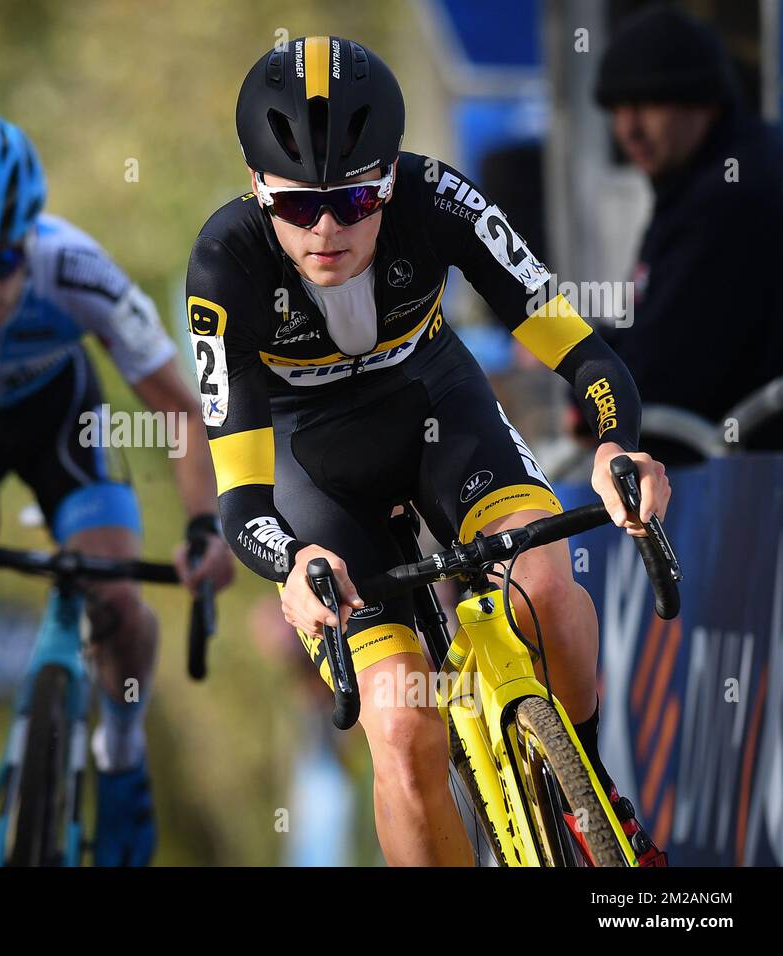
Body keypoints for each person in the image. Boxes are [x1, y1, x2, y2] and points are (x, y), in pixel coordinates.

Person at [188, 36, 671, 865]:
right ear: (259, 191)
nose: (329, 228)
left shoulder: (440, 199)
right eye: (300, 208)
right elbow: (239, 497)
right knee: (403, 727)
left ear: (391, 180)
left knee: (547, 588)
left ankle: (590, 789)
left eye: (356, 199)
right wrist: (291, 562)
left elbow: (581, 351)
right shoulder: (224, 261)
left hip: (438, 407)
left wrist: (617, 447)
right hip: (316, 472)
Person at [0, 108, 234, 866]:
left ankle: (121, 757)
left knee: (117, 598)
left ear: (30, 236)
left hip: (59, 419)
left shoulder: (78, 266)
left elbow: (180, 413)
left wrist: (204, 525)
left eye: (3, 261)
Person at [594, 4, 783, 463]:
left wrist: (594, 402)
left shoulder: (728, 197)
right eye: (617, 108)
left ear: (704, 101)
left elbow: (666, 374)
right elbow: (644, 317)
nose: (629, 129)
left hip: (754, 494)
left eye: (648, 104)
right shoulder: (695, 182)